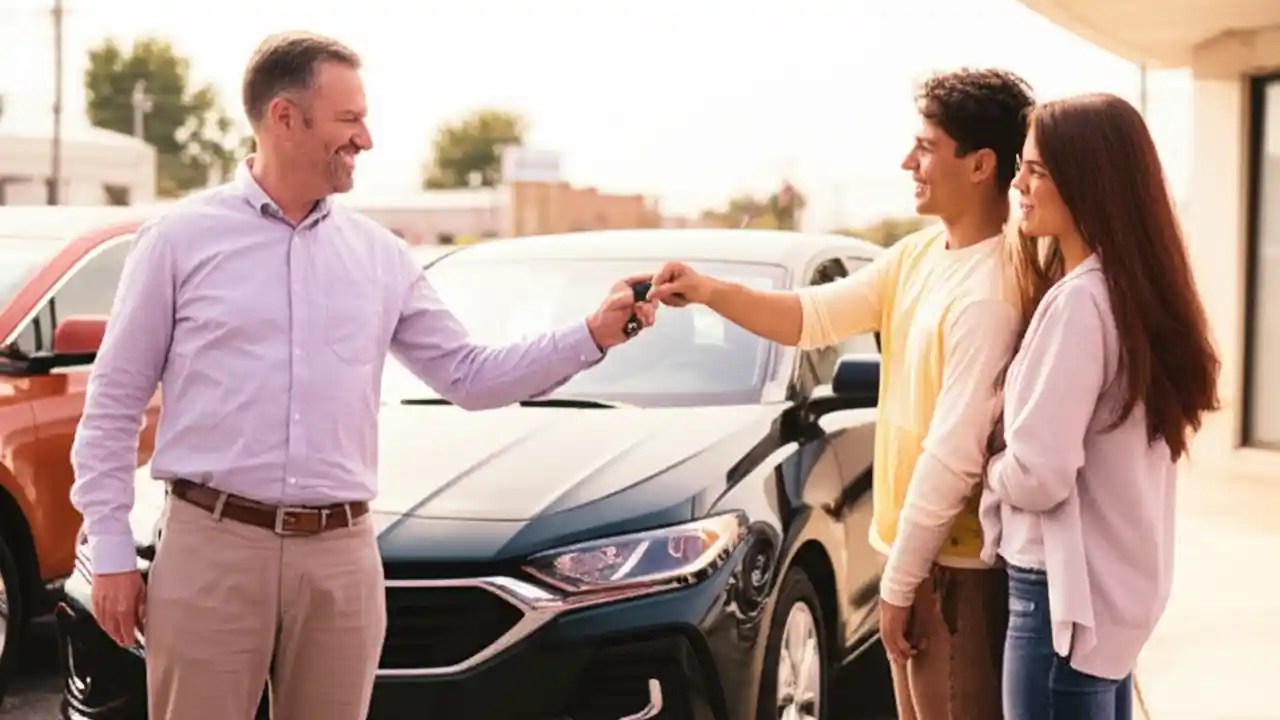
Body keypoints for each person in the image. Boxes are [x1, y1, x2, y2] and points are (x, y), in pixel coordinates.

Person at [69, 31, 656, 720]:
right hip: (212, 551)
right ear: (285, 118)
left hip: (342, 559)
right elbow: (112, 405)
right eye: (349, 120)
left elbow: (469, 375)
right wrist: (109, 548)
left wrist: (592, 335)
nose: (367, 139)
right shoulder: (176, 242)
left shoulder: (381, 257)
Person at [647, 67, 1035, 718]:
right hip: (915, 558)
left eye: (927, 146)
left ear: (980, 165)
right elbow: (809, 317)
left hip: (956, 571)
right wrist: (710, 291)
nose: (907, 161)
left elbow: (954, 454)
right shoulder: (919, 256)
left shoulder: (992, 292)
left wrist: (902, 582)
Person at [980, 93, 1220, 720]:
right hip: (1107, 605)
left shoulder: (1079, 305)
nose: (1019, 185)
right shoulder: (1134, 295)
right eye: (1019, 167)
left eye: (1036, 170)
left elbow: (1039, 474)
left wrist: (992, 468)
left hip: (1060, 602)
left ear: (1087, 181)